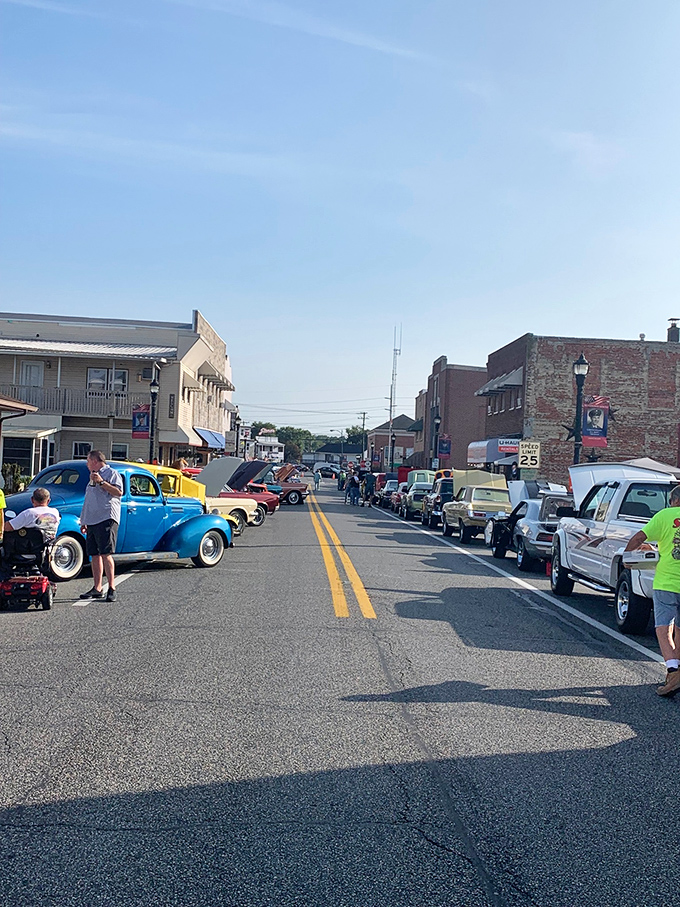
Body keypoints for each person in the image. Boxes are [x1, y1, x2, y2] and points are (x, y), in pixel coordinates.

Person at [625, 484, 680, 696]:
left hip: (667, 582)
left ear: (674, 500)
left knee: (663, 628)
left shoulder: (664, 516)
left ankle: (673, 671)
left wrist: (628, 557)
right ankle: (677, 672)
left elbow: (639, 538)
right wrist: (657, 548)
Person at [79, 450, 123, 602]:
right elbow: (89, 499)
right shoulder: (91, 476)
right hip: (92, 519)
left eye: (88, 461)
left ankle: (111, 587)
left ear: (95, 461)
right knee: (94, 554)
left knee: (106, 553)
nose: (87, 464)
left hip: (106, 517)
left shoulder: (112, 473)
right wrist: (84, 520)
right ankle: (97, 587)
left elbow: (118, 492)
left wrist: (102, 482)